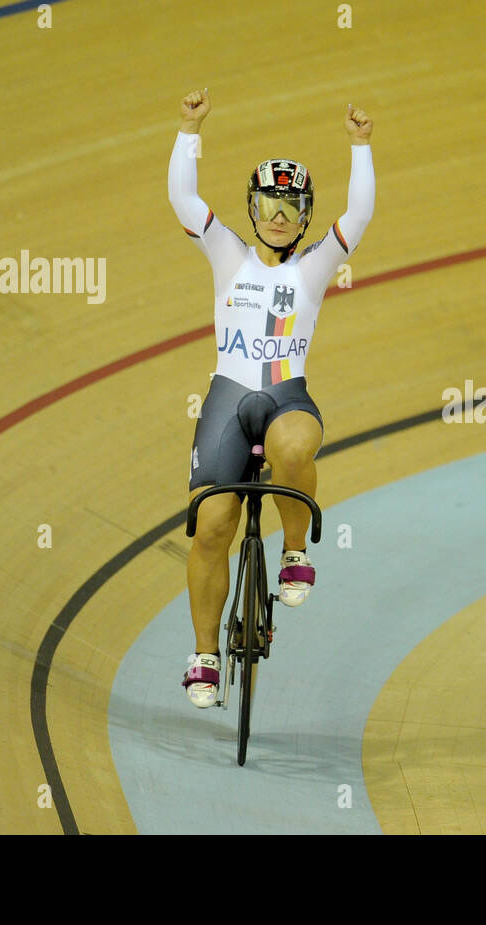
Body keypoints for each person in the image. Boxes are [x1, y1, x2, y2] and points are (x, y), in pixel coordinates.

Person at [168, 89, 375, 707]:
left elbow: (359, 216)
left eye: (291, 203)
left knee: (290, 447)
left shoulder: (311, 268)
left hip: (285, 397)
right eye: (269, 202)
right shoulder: (226, 253)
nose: (279, 213)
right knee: (212, 526)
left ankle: (291, 553)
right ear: (252, 209)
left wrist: (360, 146)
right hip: (228, 399)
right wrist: (188, 129)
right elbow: (184, 198)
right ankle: (205, 655)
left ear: (305, 215)